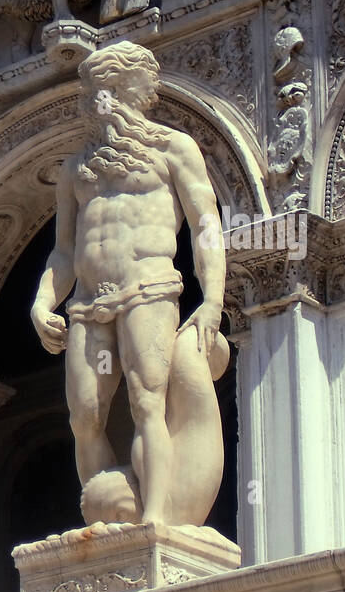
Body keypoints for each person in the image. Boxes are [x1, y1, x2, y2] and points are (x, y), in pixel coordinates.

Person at [30, 41, 226, 528]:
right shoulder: (77, 169)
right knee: (84, 417)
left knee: (146, 404)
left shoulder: (172, 149)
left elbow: (206, 226)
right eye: (92, 92)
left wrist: (213, 300)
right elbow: (63, 251)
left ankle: (155, 522)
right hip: (86, 305)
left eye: (106, 90)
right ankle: (107, 522)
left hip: (149, 290)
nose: (97, 103)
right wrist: (40, 303)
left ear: (130, 92)